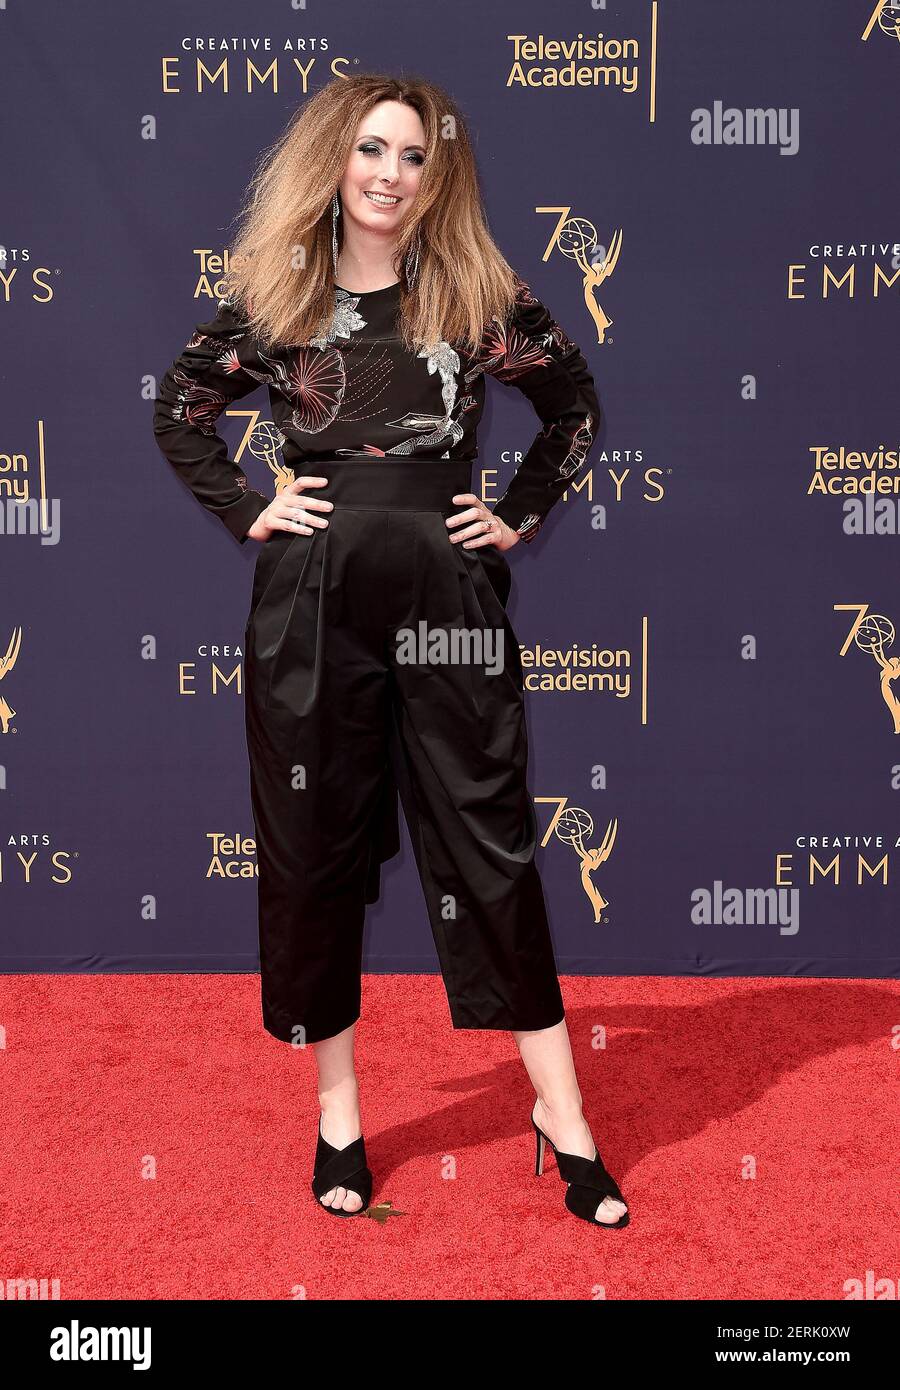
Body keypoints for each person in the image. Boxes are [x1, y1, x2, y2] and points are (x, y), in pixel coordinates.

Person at [152, 73, 629, 1230]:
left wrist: (513, 510)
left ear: (437, 174)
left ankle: (562, 1117)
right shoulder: (274, 297)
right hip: (311, 600)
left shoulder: (476, 292)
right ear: (334, 159)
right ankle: (339, 1119)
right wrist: (247, 506)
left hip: (448, 594)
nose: (390, 175)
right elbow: (179, 408)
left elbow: (576, 408)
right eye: (371, 150)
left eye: (414, 157)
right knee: (313, 851)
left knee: (493, 844)